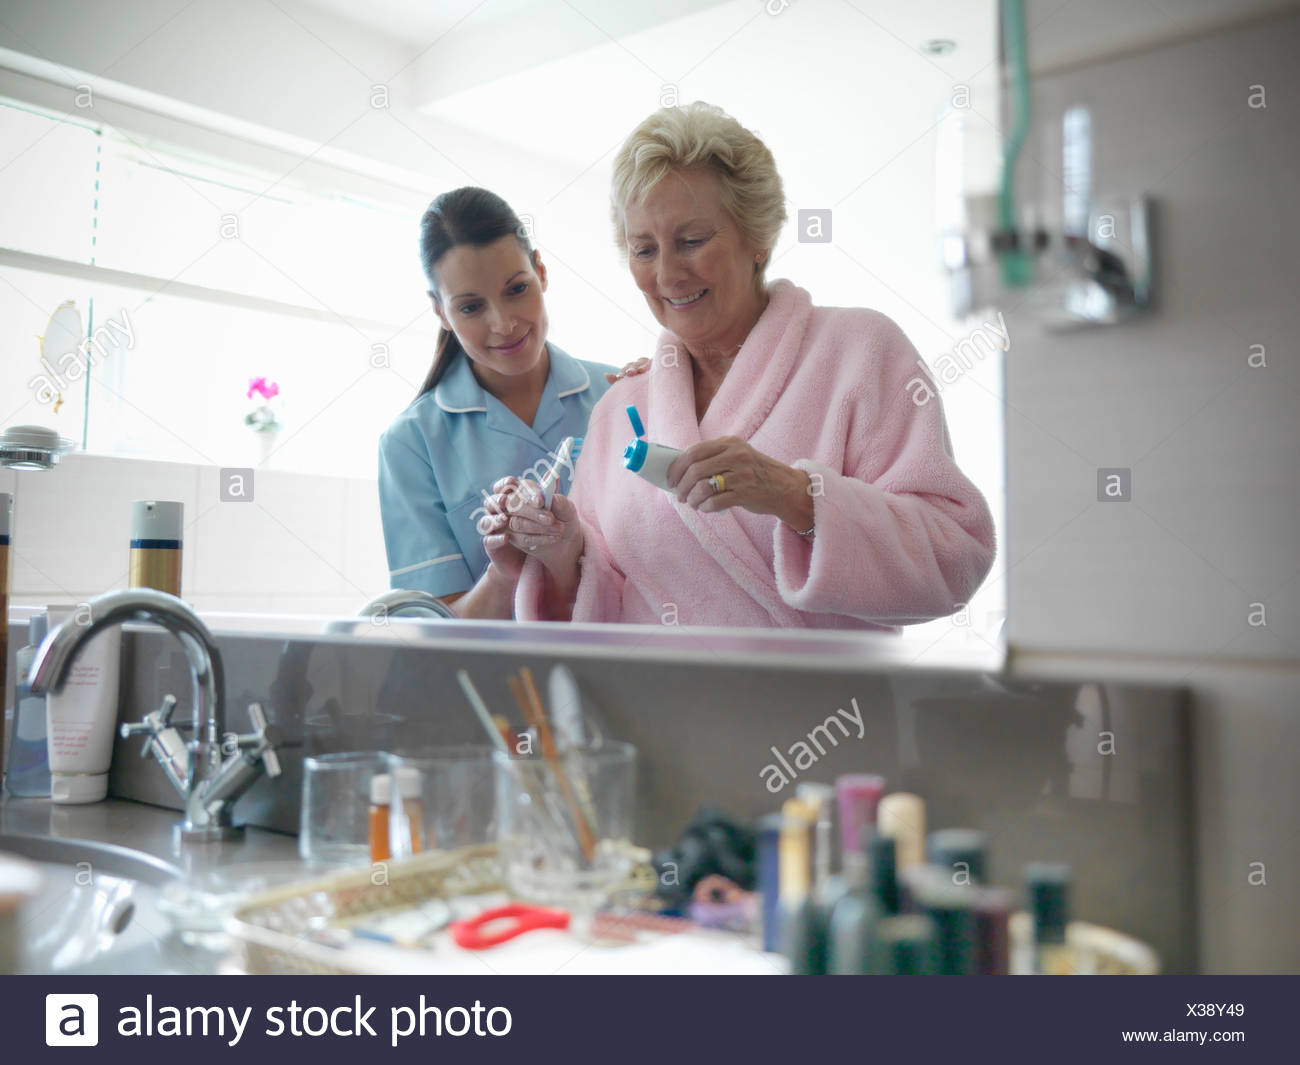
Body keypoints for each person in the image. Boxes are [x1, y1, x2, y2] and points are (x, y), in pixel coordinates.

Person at [482, 103, 996, 630]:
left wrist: (796, 496)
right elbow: (608, 606)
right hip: (655, 709)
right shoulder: (621, 409)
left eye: (692, 242)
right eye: (644, 249)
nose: (667, 274)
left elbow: (955, 560)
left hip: (835, 709)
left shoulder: (861, 351)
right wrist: (560, 554)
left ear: (758, 238)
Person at [378, 186, 642, 617]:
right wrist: (504, 573)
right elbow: (435, 631)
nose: (503, 324)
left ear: (540, 271)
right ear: (440, 312)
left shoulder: (618, 394)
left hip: (625, 664)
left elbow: (663, 563)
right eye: (470, 307)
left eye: (517, 289)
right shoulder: (410, 443)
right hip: (498, 682)